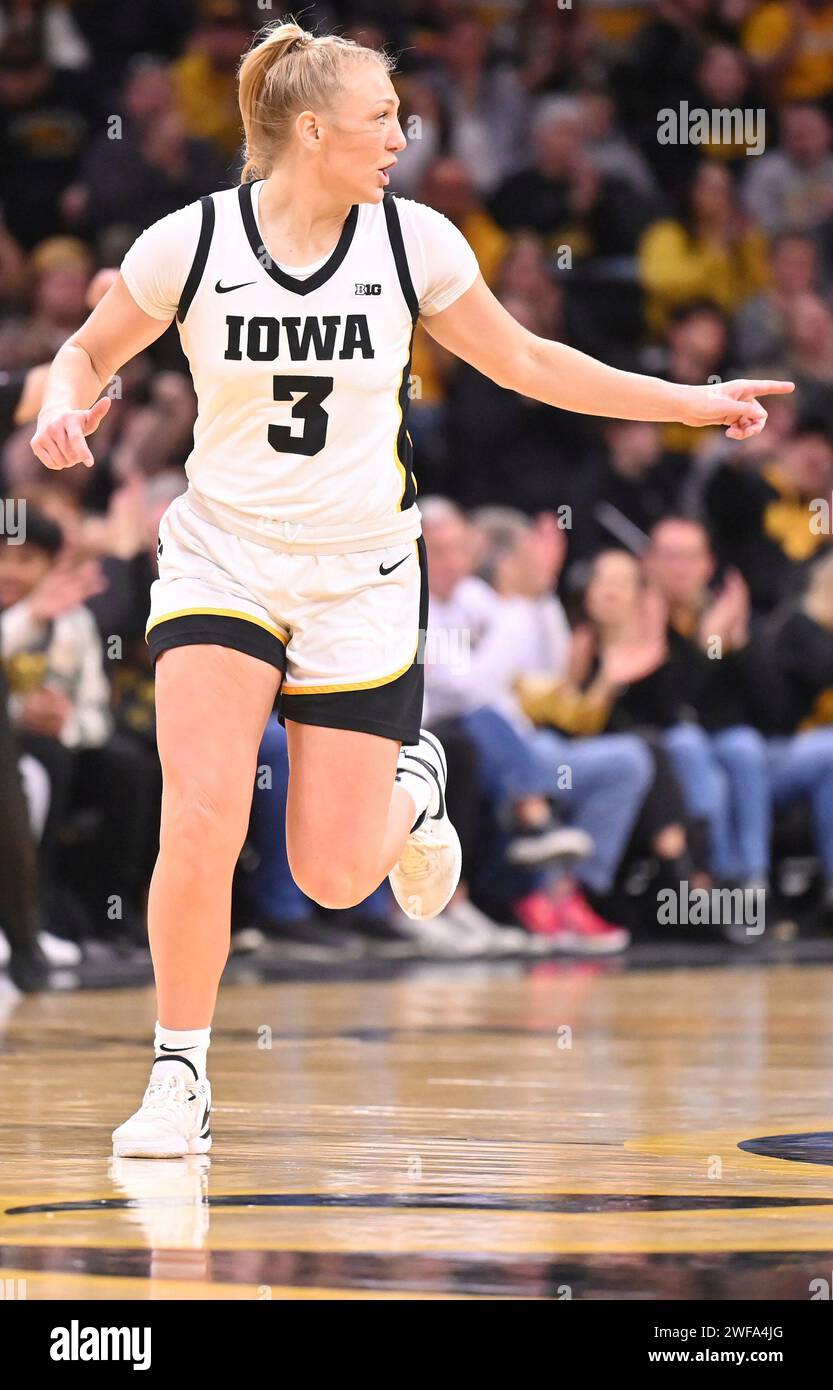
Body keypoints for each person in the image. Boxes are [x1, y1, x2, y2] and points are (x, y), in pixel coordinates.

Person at [29, 20, 793, 1159]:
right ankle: (178, 1074)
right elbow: (89, 351)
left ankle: (416, 777)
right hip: (221, 554)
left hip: (360, 570)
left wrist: (686, 402)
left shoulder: (414, 242)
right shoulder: (187, 243)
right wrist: (60, 400)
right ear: (310, 128)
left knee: (335, 874)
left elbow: (528, 360)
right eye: (381, 114)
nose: (401, 131)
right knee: (200, 809)